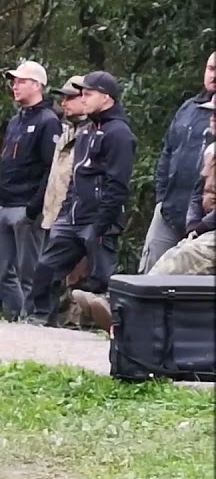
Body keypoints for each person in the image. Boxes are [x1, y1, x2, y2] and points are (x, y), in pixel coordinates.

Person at [76, 101, 216, 330]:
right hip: (200, 223)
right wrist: (193, 225)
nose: (212, 119)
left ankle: (123, 310)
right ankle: (133, 317)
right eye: (212, 114)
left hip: (210, 229)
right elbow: (197, 192)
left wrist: (200, 229)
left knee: (188, 256)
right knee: (173, 253)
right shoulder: (211, 151)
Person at [24, 71, 136, 326]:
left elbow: (117, 185)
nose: (83, 99)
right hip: (72, 216)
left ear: (106, 98)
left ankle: (117, 330)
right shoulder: (85, 132)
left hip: (100, 219)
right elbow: (76, 178)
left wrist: (100, 226)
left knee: (101, 279)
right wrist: (65, 212)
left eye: (88, 94)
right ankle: (39, 320)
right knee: (46, 268)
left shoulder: (119, 134)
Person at [0, 60, 62, 321]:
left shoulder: (48, 121)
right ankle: (17, 314)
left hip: (27, 206)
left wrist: (35, 206)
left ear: (37, 85)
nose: (14, 86)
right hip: (4, 202)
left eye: (20, 81)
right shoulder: (15, 121)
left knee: (29, 270)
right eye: (14, 81)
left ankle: (31, 320)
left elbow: (50, 169)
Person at [139, 51, 216, 272]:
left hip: (207, 218)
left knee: (187, 283)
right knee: (149, 273)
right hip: (171, 209)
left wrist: (202, 222)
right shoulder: (188, 108)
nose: (214, 75)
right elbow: (167, 151)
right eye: (211, 69)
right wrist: (162, 197)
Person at [39, 75, 92, 326]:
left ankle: (75, 327)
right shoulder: (65, 131)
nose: (65, 103)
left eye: (71, 97)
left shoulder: (93, 133)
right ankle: (52, 323)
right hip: (55, 215)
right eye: (63, 98)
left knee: (77, 277)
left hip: (77, 217)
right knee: (52, 274)